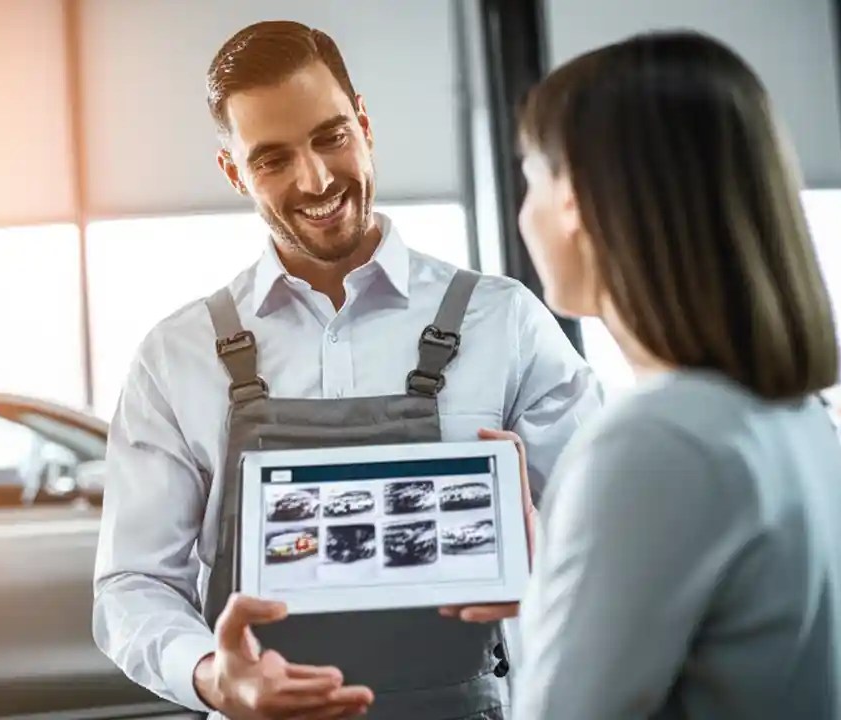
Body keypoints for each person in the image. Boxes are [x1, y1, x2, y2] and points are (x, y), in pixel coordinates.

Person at [91, 20, 603, 720]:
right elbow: (133, 583)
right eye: (272, 159)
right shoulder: (175, 358)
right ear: (234, 172)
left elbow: (606, 537)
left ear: (363, 123)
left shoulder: (504, 324)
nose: (316, 179)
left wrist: (543, 548)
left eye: (331, 137)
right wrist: (213, 675)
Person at [490, 30, 841, 718]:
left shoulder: (653, 442)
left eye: (530, 178)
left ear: (575, 194)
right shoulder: (791, 418)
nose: (525, 213)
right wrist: (543, 574)